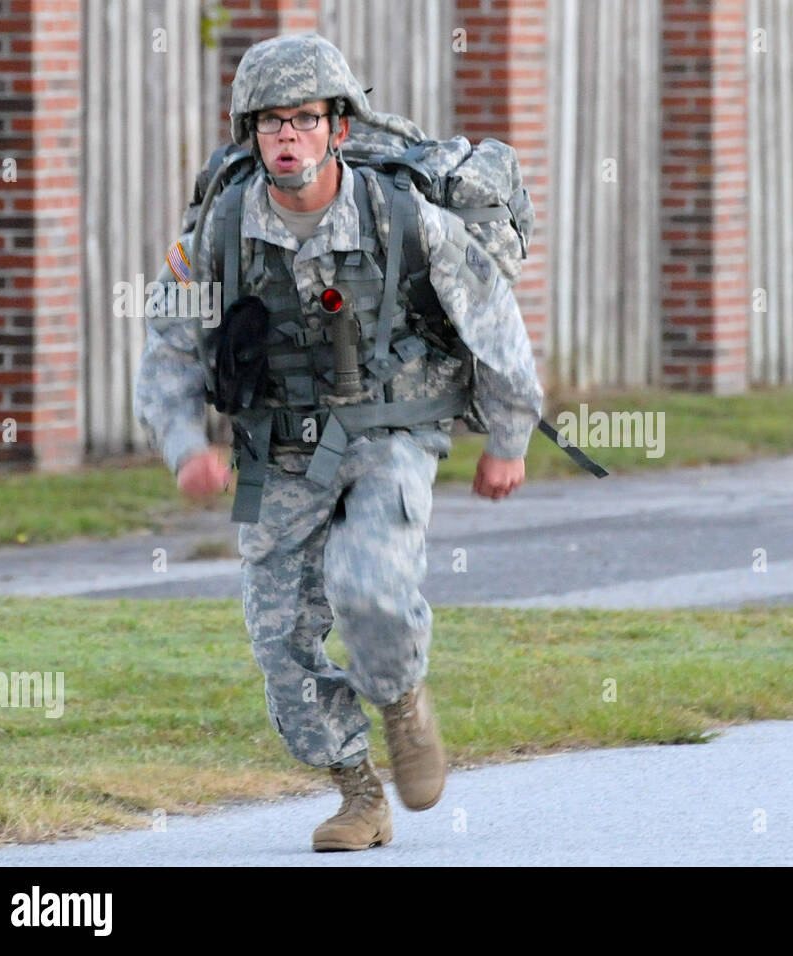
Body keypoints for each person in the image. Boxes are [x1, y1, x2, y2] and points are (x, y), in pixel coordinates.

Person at [133, 33, 544, 852]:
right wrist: (185, 445)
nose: (287, 136)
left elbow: (492, 319)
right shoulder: (222, 229)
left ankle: (400, 699)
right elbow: (169, 344)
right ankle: (357, 790)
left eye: (304, 119)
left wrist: (508, 436)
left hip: (389, 429)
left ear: (338, 129)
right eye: (270, 122)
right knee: (278, 638)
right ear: (252, 134)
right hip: (276, 446)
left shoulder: (402, 218)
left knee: (369, 586)